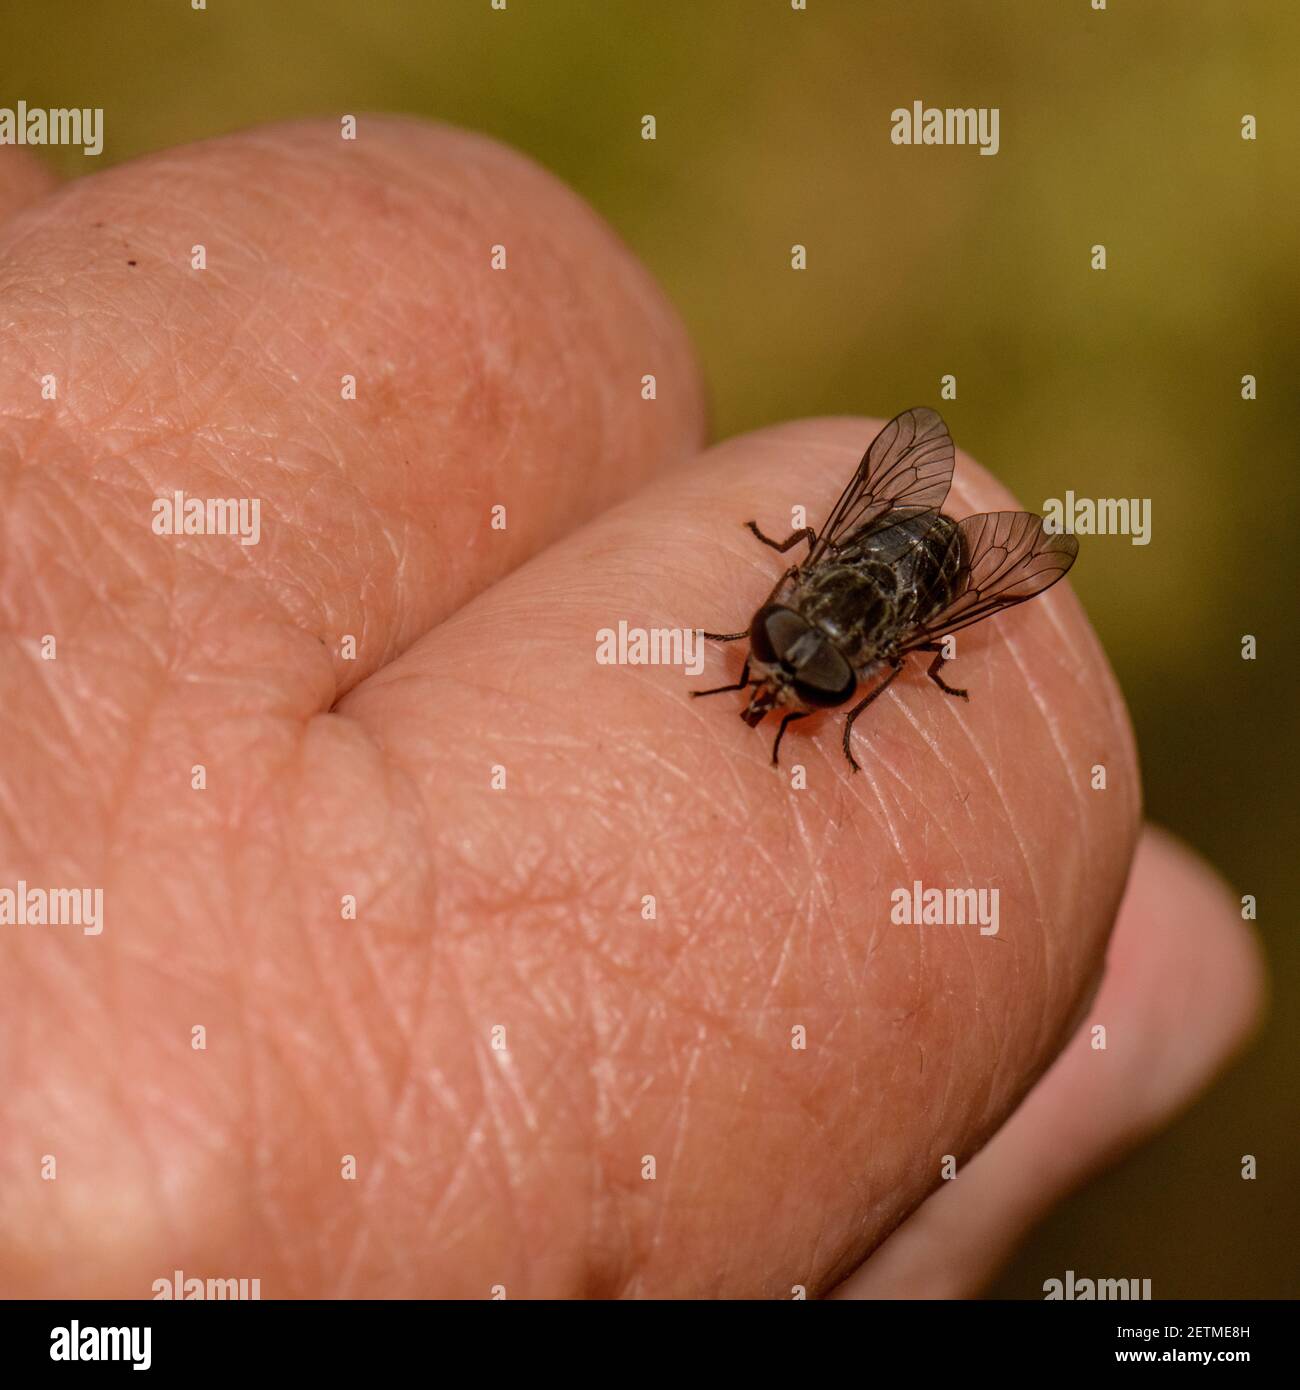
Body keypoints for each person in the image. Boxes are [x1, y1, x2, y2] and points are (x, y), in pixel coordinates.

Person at [0, 119, 1262, 1299]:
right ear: (785, 598)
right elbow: (850, 519)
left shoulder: (881, 635)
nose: (774, 676)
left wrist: (855, 669)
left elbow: (903, 560)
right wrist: (792, 631)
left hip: (923, 562)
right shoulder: (801, 610)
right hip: (873, 554)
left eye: (801, 673)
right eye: (778, 652)